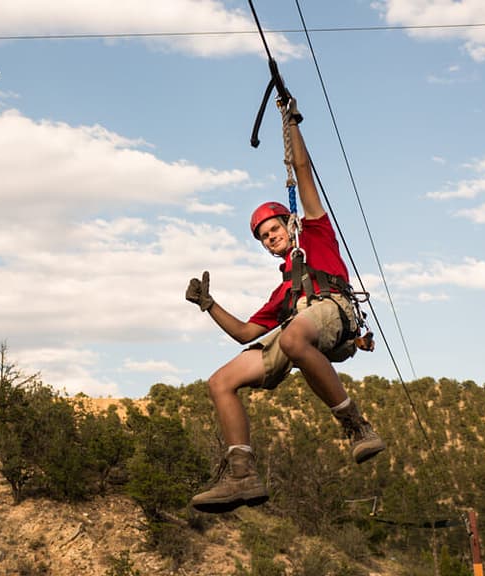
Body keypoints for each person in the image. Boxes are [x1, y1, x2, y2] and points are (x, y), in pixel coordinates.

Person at [185, 100, 385, 514]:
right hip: (302, 326)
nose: (270, 237)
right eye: (263, 236)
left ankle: (357, 426)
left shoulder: (315, 234)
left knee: (293, 338)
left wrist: (290, 121)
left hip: (333, 311)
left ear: (290, 224)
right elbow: (245, 333)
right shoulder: (284, 293)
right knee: (220, 382)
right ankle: (241, 474)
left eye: (274, 228)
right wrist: (209, 305)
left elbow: (304, 171)